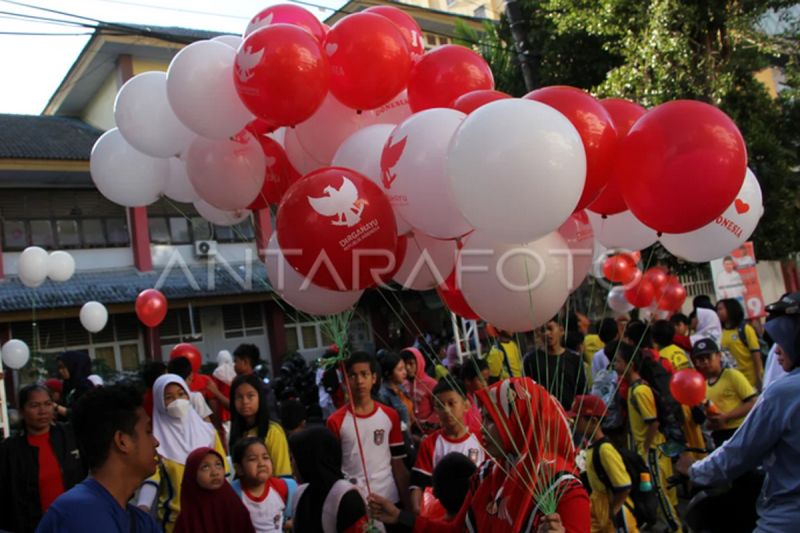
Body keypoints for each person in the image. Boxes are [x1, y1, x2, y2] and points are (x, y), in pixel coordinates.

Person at [369, 377, 590, 532]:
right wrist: (400, 517)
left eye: (491, 420)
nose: (482, 428)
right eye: (483, 418)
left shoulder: (564, 490)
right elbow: (458, 530)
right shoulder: (487, 476)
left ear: (519, 424)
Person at [677, 292, 800, 532]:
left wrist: (693, 469)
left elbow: (737, 454)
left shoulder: (783, 393)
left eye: (782, 341)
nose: (775, 351)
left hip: (785, 518)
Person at [35, 384, 161, 532]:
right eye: (148, 431)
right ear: (122, 441)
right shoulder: (79, 515)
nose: (156, 442)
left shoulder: (141, 521)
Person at [136, 374, 227, 533]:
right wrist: (142, 506)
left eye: (181, 394)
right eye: (169, 397)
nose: (177, 401)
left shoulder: (209, 434)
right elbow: (151, 479)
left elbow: (224, 475)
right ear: (158, 402)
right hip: (175, 525)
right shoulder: (155, 443)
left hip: (211, 521)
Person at [326, 351, 410, 510]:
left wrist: (409, 510)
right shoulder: (335, 421)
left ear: (374, 378)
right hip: (355, 505)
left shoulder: (390, 416)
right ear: (345, 381)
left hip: (389, 499)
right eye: (352, 376)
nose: (359, 381)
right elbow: (334, 469)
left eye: (364, 374)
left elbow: (398, 464)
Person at [612, 343, 681, 531]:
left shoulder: (640, 391)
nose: (615, 365)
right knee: (652, 493)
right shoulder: (634, 389)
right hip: (645, 452)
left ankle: (677, 528)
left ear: (630, 364)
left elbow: (653, 422)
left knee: (660, 493)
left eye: (618, 361)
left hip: (652, 452)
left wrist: (645, 448)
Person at [0, 384, 86, 532]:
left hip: (75, 522)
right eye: (35, 405)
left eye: (47, 404)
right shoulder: (9, 450)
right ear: (22, 410)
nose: (43, 411)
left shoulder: (69, 436)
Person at [409, 379, 485, 515]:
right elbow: (418, 483)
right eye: (440, 405)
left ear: (466, 405)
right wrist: (417, 511)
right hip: (442, 514)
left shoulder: (482, 439)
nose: (446, 410)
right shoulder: (430, 444)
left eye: (451, 403)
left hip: (478, 509)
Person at [569, 395, 638, 533]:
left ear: (593, 420)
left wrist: (612, 514)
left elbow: (624, 486)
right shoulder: (591, 447)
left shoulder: (605, 450)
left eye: (577, 419)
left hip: (612, 518)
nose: (573, 422)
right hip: (599, 514)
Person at [289, 426, 368, 532]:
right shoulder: (300, 493)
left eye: (294, 458)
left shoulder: (346, 497)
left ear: (309, 460)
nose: (292, 464)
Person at [690, 338, 757, 446]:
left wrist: (727, 416)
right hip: (720, 435)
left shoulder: (732, 375)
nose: (706, 362)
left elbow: (753, 402)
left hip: (740, 430)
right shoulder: (702, 386)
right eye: (701, 359)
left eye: (708, 357)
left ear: (718, 356)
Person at [173, 447, 255, 533]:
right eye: (205, 467)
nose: (215, 472)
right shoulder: (187, 518)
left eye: (218, 465)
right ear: (192, 475)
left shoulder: (233, 503)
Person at [229, 373, 292, 477]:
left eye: (250, 396)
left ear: (260, 398)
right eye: (239, 397)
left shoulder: (272, 431)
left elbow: (283, 475)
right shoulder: (236, 431)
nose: (245, 401)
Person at [524, 315, 588, 410]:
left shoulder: (575, 359)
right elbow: (526, 391)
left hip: (569, 416)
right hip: (543, 415)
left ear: (561, 331)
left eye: (550, 329)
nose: (547, 333)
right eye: (543, 330)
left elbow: (582, 391)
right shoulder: (531, 360)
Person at [230, 437, 292, 533]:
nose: (261, 463)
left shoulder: (282, 487)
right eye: (252, 459)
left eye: (265, 457)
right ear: (239, 468)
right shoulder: (232, 494)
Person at [718, 298, 764, 389]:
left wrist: (759, 377)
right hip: (734, 382)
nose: (718, 312)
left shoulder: (745, 329)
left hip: (751, 381)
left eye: (721, 309)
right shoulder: (721, 332)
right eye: (717, 309)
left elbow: (756, 354)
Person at [401, 348, 439, 433]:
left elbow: (438, 409)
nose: (407, 367)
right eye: (404, 364)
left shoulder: (431, 383)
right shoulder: (403, 384)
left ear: (419, 363)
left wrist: (428, 424)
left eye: (411, 363)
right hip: (411, 430)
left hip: (430, 431)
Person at [377, 352, 414, 434]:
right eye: (400, 369)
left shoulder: (400, 387)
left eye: (404, 368)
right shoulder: (383, 395)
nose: (405, 372)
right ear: (389, 374)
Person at [168, 356, 214, 421]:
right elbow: (206, 421)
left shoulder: (165, 400)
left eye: (181, 394)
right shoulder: (196, 397)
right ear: (190, 376)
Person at [54, 350, 93, 418]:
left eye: (63, 367)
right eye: (59, 368)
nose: (60, 371)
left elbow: (80, 414)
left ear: (74, 366)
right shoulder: (67, 385)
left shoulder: (86, 387)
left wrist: (55, 407)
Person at [212, 350, 235, 436]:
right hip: (235, 406)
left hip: (223, 407)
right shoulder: (235, 369)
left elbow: (214, 391)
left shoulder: (217, 373)